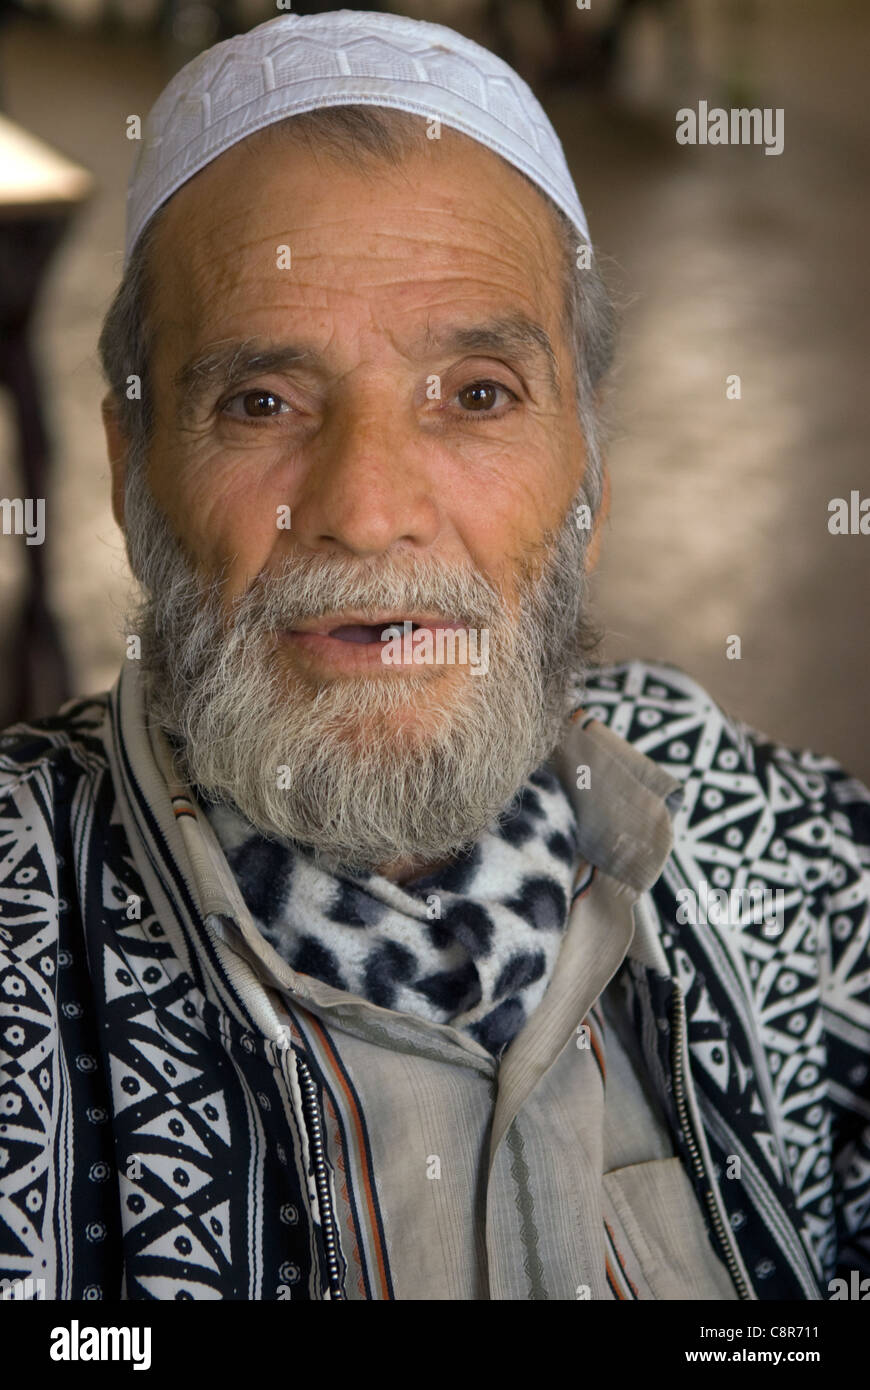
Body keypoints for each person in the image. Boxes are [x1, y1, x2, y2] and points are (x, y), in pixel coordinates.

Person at [0, 9, 867, 1302]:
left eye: (474, 392)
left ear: (588, 460)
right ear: (133, 469)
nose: (368, 503)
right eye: (261, 401)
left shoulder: (796, 862)